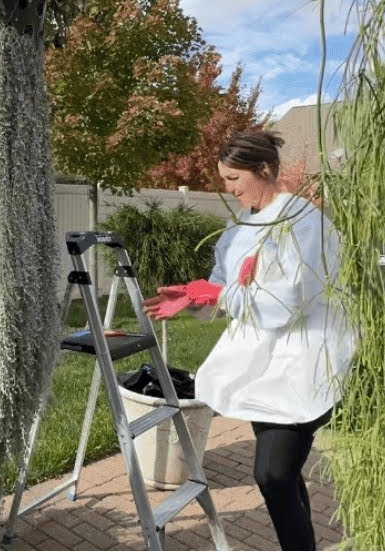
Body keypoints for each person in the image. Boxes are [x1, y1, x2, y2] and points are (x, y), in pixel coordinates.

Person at [145, 130, 355, 552]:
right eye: (224, 180)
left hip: (305, 358)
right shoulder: (241, 226)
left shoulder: (303, 222)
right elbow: (227, 284)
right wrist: (193, 295)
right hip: (264, 364)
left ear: (263, 170)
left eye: (234, 179)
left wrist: (219, 294)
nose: (228, 189)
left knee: (272, 474)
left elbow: (286, 301)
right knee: (285, 475)